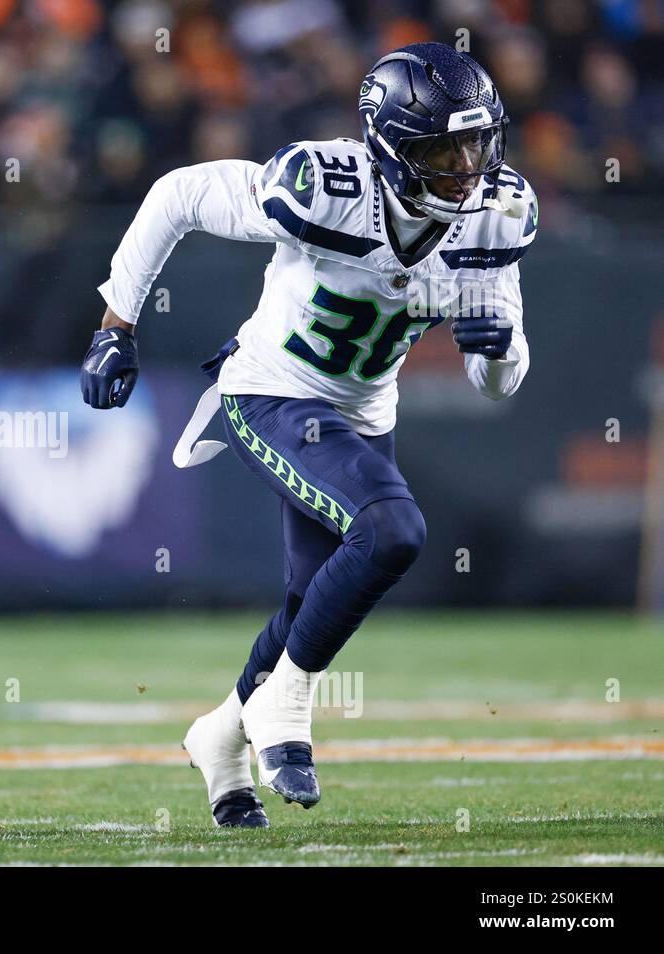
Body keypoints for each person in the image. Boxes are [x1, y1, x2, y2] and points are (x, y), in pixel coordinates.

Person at [81, 44, 535, 828]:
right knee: (392, 529)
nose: (465, 168)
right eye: (440, 150)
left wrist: (500, 347)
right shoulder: (324, 190)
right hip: (272, 391)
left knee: (308, 604)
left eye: (476, 144)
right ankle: (285, 713)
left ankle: (219, 738)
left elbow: (495, 384)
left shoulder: (495, 216)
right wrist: (116, 324)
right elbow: (179, 193)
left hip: (362, 411)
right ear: (389, 151)